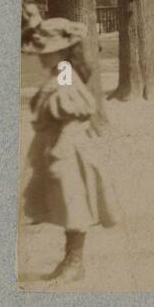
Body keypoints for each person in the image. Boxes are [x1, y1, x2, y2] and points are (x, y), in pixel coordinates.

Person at [21, 17, 117, 282]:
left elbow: (75, 115)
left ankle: (75, 263)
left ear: (63, 51)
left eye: (47, 51)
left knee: (74, 206)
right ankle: (69, 260)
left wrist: (58, 152)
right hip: (58, 146)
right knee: (65, 205)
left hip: (69, 149)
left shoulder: (64, 74)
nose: (41, 56)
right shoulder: (58, 73)